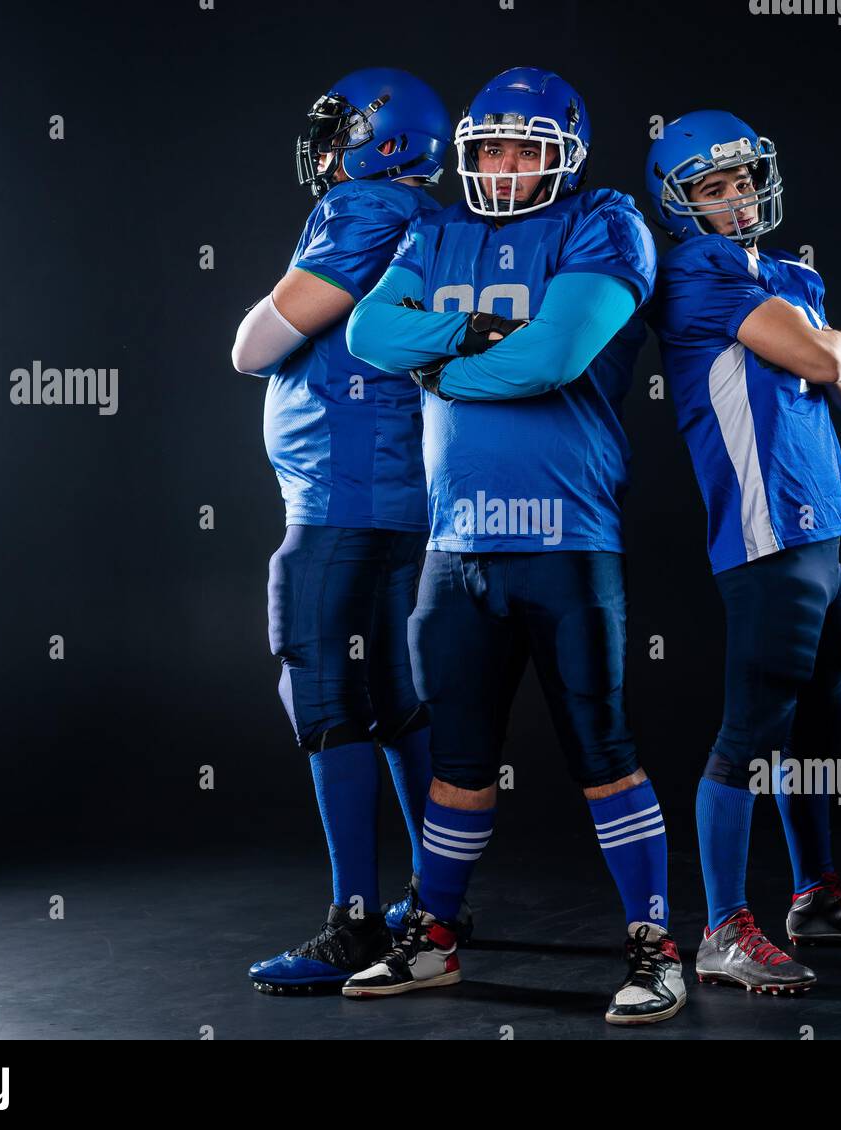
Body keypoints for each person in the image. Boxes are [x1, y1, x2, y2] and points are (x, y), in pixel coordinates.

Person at [340, 67, 684, 1025]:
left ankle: (656, 946)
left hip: (567, 540)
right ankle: (437, 938)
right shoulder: (434, 226)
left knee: (603, 753)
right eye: (488, 147)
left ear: (561, 155)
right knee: (458, 760)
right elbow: (370, 331)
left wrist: (442, 369)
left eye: (522, 149)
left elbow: (555, 357)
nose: (501, 165)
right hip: (456, 550)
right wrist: (478, 331)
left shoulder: (603, 222)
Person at [645, 110, 841, 996]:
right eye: (711, 188)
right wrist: (833, 348)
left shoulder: (789, 272)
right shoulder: (694, 271)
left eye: (742, 180)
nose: (734, 200)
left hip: (825, 527)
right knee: (748, 736)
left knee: (818, 723)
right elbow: (821, 356)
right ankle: (723, 926)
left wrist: (831, 358)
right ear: (681, 204)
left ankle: (814, 895)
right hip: (766, 534)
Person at [232, 67, 468, 994]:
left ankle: (356, 925)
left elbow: (253, 345)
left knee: (325, 691)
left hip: (343, 493)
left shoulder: (364, 206)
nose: (327, 152)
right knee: (397, 696)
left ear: (387, 141)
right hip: (399, 488)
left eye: (341, 133)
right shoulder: (430, 214)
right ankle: (435, 907)